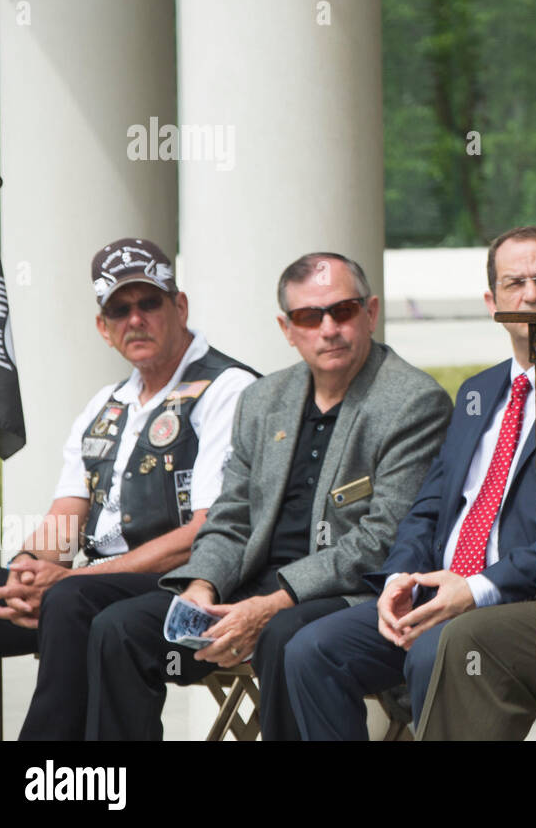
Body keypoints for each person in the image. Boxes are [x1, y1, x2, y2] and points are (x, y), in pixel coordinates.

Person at [76, 252, 452, 740]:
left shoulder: (411, 402)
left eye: (343, 310)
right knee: (120, 630)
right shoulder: (263, 399)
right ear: (287, 328)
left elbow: (382, 538)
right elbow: (231, 516)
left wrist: (273, 603)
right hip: (245, 590)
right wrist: (202, 587)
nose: (328, 328)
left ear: (371, 312)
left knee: (284, 635)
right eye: (308, 317)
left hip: (341, 596)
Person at [284, 225, 536, 740]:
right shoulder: (478, 392)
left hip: (525, 600)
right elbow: (428, 507)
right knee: (311, 650)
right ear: (492, 301)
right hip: (436, 589)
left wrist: (475, 588)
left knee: (437, 649)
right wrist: (399, 577)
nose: (530, 294)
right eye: (514, 283)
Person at [0, 238, 257, 740]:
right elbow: (69, 512)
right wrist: (29, 571)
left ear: (180, 306)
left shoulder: (228, 389)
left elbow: (206, 532)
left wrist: (74, 581)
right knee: (6, 592)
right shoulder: (106, 403)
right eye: (118, 309)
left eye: (149, 302)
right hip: (86, 588)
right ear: (103, 329)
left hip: (186, 589)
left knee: (75, 600)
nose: (135, 319)